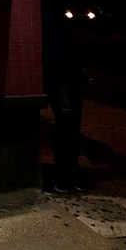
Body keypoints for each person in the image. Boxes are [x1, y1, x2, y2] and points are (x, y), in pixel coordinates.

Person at [44, 11, 87, 193]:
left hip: (69, 85)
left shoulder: (61, 33)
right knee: (67, 131)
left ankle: (67, 175)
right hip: (65, 85)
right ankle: (64, 176)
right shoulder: (61, 35)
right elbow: (58, 66)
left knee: (69, 131)